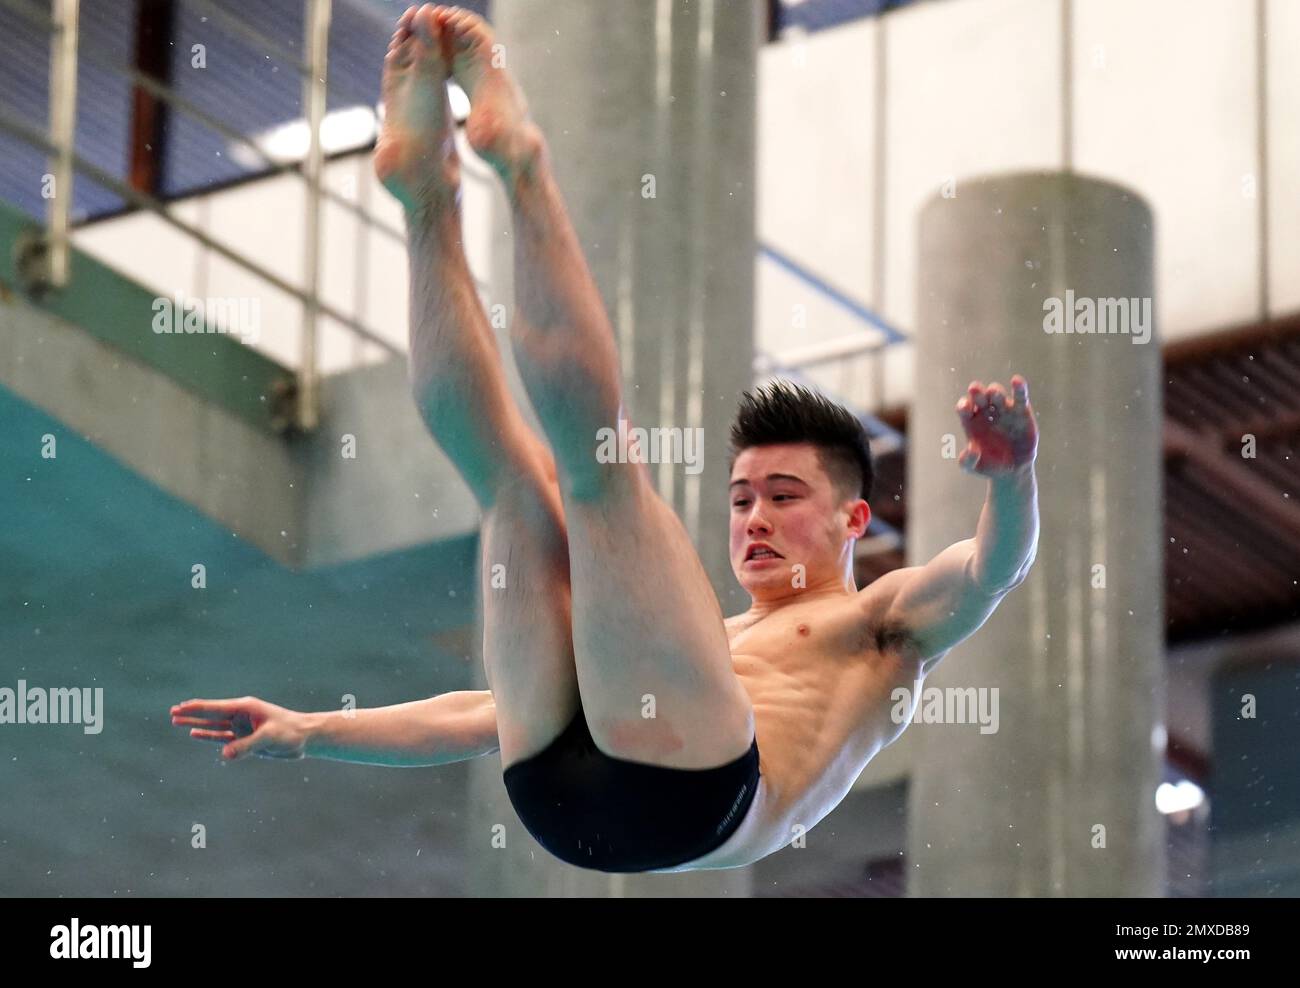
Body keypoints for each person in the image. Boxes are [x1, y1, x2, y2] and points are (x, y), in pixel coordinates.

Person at [171, 4, 1040, 874]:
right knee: (513, 479)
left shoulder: (878, 625)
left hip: (696, 799)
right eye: (740, 500)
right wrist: (313, 730)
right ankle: (424, 198)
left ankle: (523, 166)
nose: (754, 522)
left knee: (602, 468)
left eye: (783, 497)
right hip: (555, 791)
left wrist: (1011, 479)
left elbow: (990, 573)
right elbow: (476, 716)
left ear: (856, 522)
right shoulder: (706, 641)